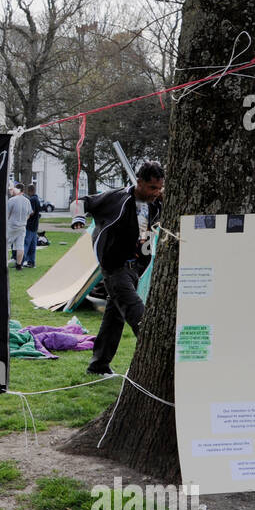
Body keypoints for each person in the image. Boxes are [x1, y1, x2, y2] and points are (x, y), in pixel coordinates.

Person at [81, 161, 164, 376]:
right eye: (152, 188)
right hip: (114, 268)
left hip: (135, 267)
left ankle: (98, 365)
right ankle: (157, 366)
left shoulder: (155, 204)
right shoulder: (116, 198)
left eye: (159, 188)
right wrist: (78, 218)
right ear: (140, 182)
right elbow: (81, 203)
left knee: (114, 317)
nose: (156, 192)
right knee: (140, 317)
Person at [6, 184, 32, 270]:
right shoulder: (27, 201)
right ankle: (19, 265)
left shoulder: (12, 200)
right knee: (20, 246)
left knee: (6, 245)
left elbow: (7, 214)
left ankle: (4, 264)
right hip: (22, 226)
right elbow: (29, 214)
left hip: (12, 226)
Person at [23, 183, 43, 268]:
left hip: (30, 225)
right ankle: (31, 262)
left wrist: (24, 217)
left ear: (30, 191)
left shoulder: (32, 200)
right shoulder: (37, 199)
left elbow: (32, 212)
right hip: (35, 226)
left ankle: (21, 261)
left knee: (26, 243)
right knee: (32, 245)